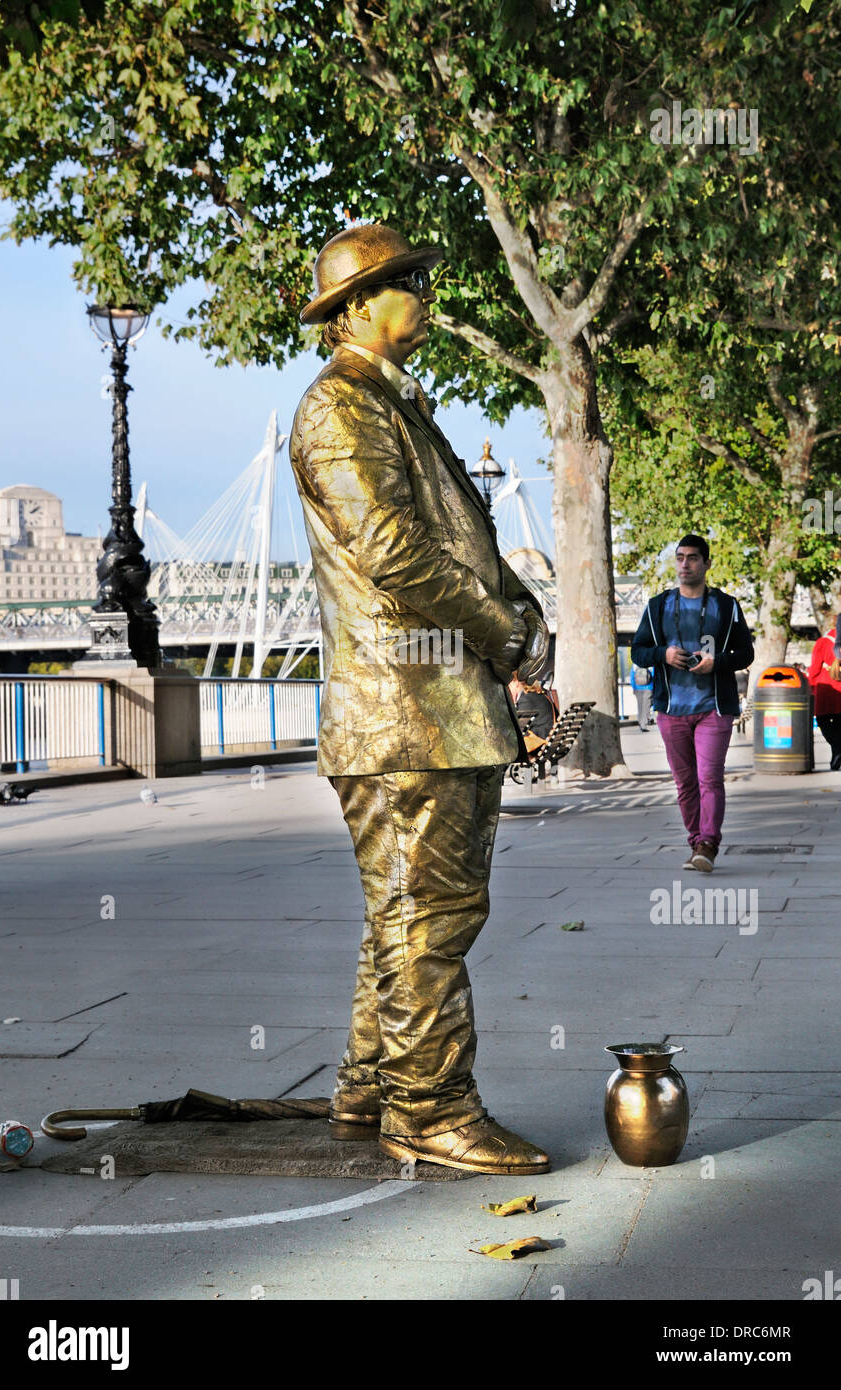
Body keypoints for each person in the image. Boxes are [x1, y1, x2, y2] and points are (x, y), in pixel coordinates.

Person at [289, 223, 551, 1175]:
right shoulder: (338, 409)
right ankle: (432, 1109)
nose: (425, 296)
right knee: (428, 917)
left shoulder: (384, 402)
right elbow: (393, 553)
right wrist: (501, 630)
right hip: (404, 711)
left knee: (409, 908)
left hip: (434, 707)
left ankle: (371, 1086)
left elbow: (447, 538)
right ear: (359, 307)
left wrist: (511, 617)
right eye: (409, 283)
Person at [631, 534, 754, 873]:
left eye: (693, 558)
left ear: (706, 563)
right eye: (680, 558)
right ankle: (695, 841)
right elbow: (638, 652)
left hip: (714, 707)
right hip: (671, 710)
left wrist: (718, 663)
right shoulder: (658, 606)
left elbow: (746, 653)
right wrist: (664, 655)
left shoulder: (726, 606)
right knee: (685, 783)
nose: (685, 564)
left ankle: (708, 843)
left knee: (709, 778)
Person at [807, 624, 841, 770]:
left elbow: (814, 668)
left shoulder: (822, 642)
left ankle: (837, 752)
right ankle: (837, 754)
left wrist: (809, 684)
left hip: (826, 687)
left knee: (823, 721)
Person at [630, 662, 653, 731]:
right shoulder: (651, 663)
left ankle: (640, 721)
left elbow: (632, 677)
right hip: (648, 688)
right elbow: (654, 676)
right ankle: (644, 723)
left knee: (640, 706)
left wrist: (634, 688)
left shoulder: (635, 664)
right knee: (646, 706)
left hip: (637, 688)